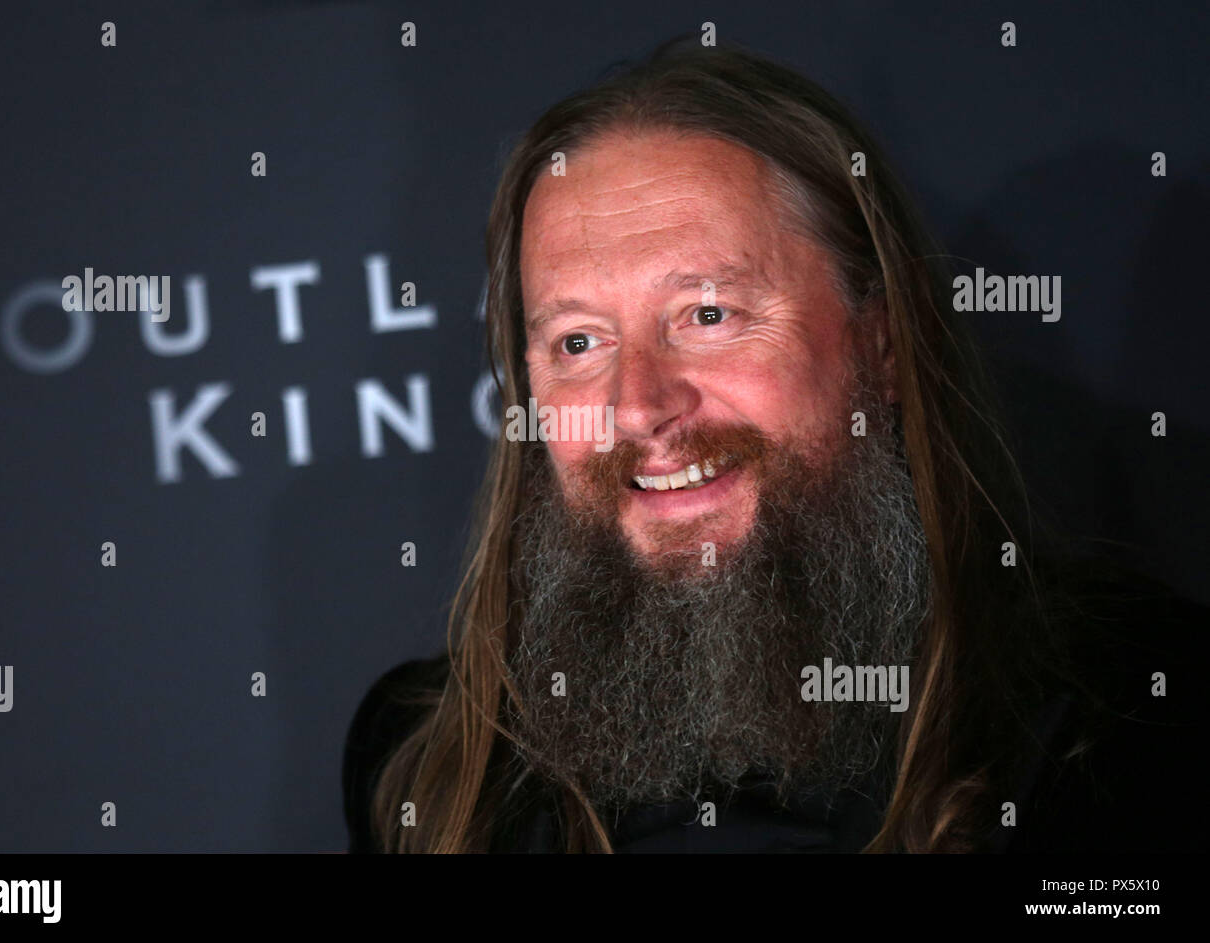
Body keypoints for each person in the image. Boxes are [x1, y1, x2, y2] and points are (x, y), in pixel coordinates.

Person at [343, 39, 1205, 853]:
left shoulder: (1118, 717)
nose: (640, 406)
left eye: (709, 315)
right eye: (578, 342)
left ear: (882, 346)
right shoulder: (423, 760)